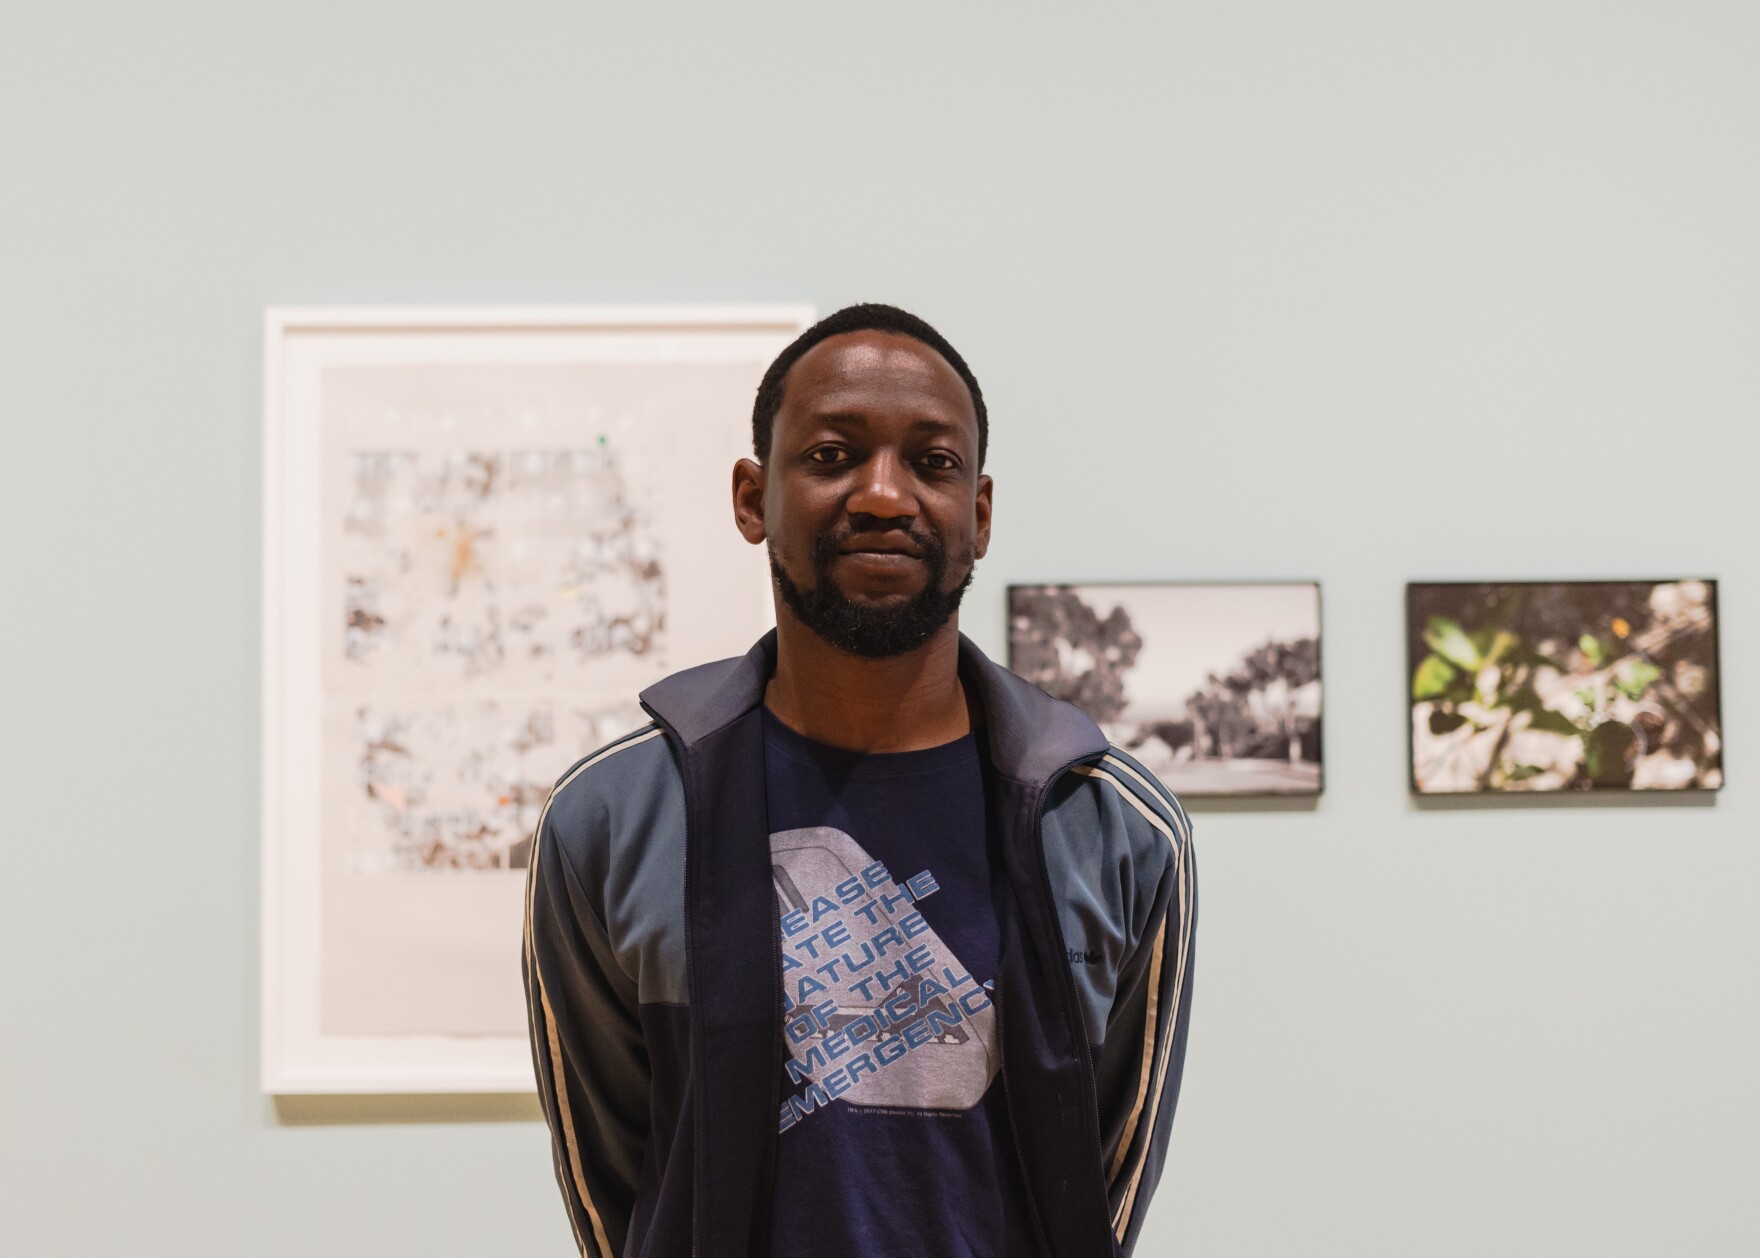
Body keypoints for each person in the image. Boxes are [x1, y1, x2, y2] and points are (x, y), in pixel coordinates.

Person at [522, 303, 1196, 1258]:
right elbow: (617, 1185)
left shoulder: (1114, 828)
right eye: (833, 456)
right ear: (754, 498)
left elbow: (1101, 1190)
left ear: (981, 513)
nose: (884, 495)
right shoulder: (610, 817)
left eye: (933, 463)